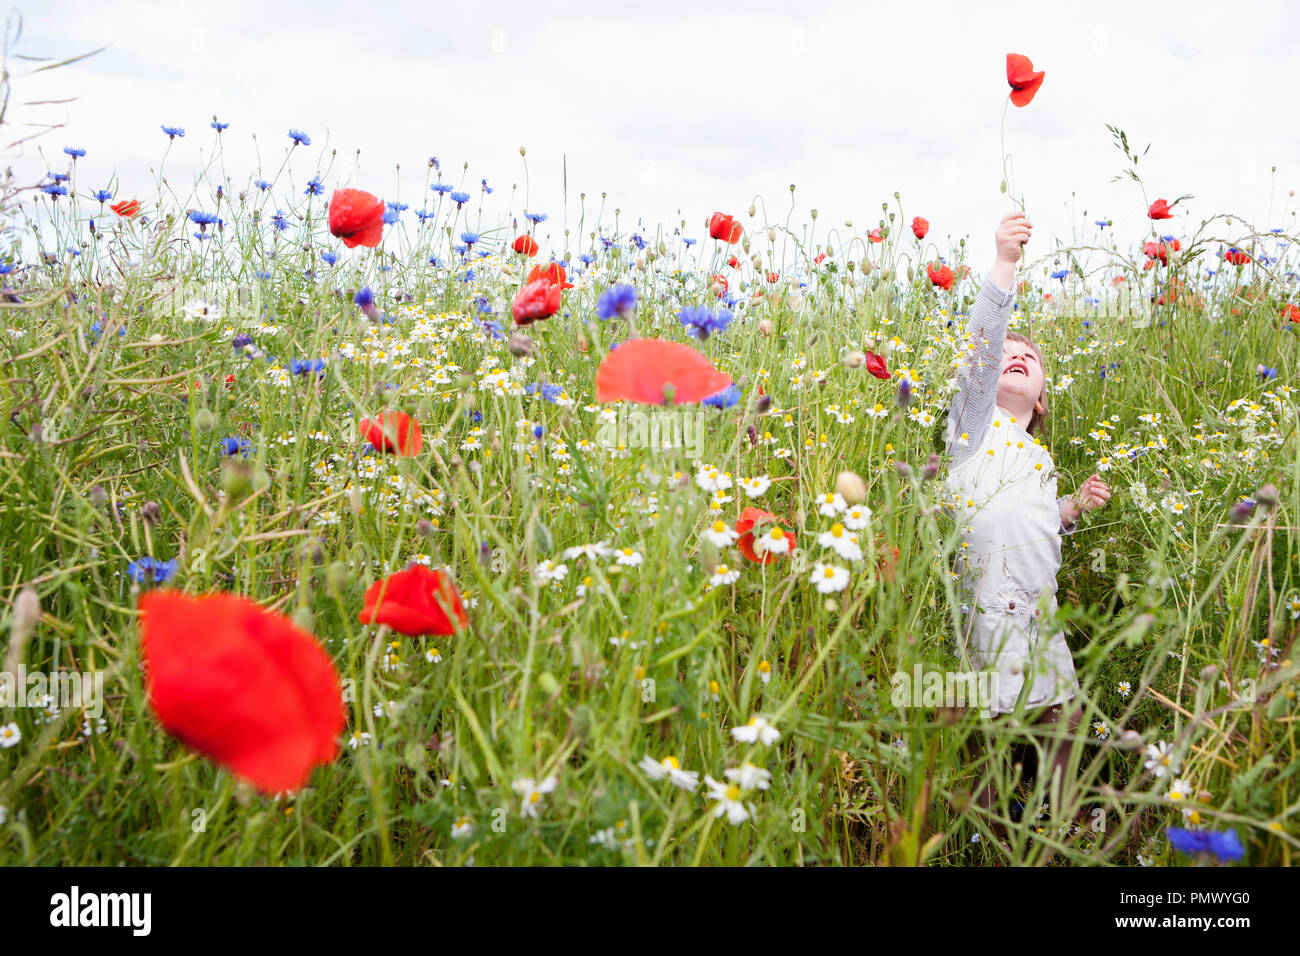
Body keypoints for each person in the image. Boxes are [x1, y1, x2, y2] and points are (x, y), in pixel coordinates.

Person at [943, 210, 1112, 824]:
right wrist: (1005, 263)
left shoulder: (1039, 456)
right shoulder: (971, 428)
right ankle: (985, 835)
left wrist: (1071, 509)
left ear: (1041, 398)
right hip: (985, 612)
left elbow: (1036, 521)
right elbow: (984, 346)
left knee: (1063, 719)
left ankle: (1070, 819)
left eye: (1029, 356)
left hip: (1040, 615)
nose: (1013, 355)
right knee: (988, 737)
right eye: (1007, 353)